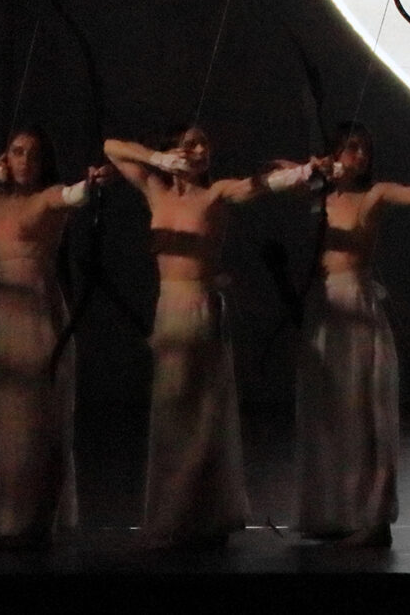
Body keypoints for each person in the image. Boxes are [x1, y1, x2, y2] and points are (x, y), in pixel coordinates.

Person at [103, 125, 317, 547]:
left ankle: (192, 516)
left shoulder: (215, 192)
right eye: (190, 143)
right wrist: (158, 159)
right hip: (169, 310)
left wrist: (301, 174)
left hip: (199, 308)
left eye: (205, 142)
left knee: (198, 416)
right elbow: (110, 147)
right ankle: (176, 517)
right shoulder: (155, 190)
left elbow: (253, 188)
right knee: (171, 415)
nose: (199, 149)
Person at [292, 119, 410, 547]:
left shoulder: (373, 194)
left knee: (362, 411)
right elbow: (272, 176)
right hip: (326, 308)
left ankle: (370, 516)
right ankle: (333, 513)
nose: (360, 156)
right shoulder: (316, 192)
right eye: (351, 148)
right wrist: (310, 169)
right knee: (330, 413)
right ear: (336, 152)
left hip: (358, 303)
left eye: (365, 149)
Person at [0, 130, 107, 546]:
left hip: (36, 314)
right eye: (17, 151)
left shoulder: (46, 197)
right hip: (4, 317)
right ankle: (6, 515)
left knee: (35, 418)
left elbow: (71, 196)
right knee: (7, 420)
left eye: (32, 153)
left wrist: (92, 184)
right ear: (5, 156)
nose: (24, 159)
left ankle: (36, 518)